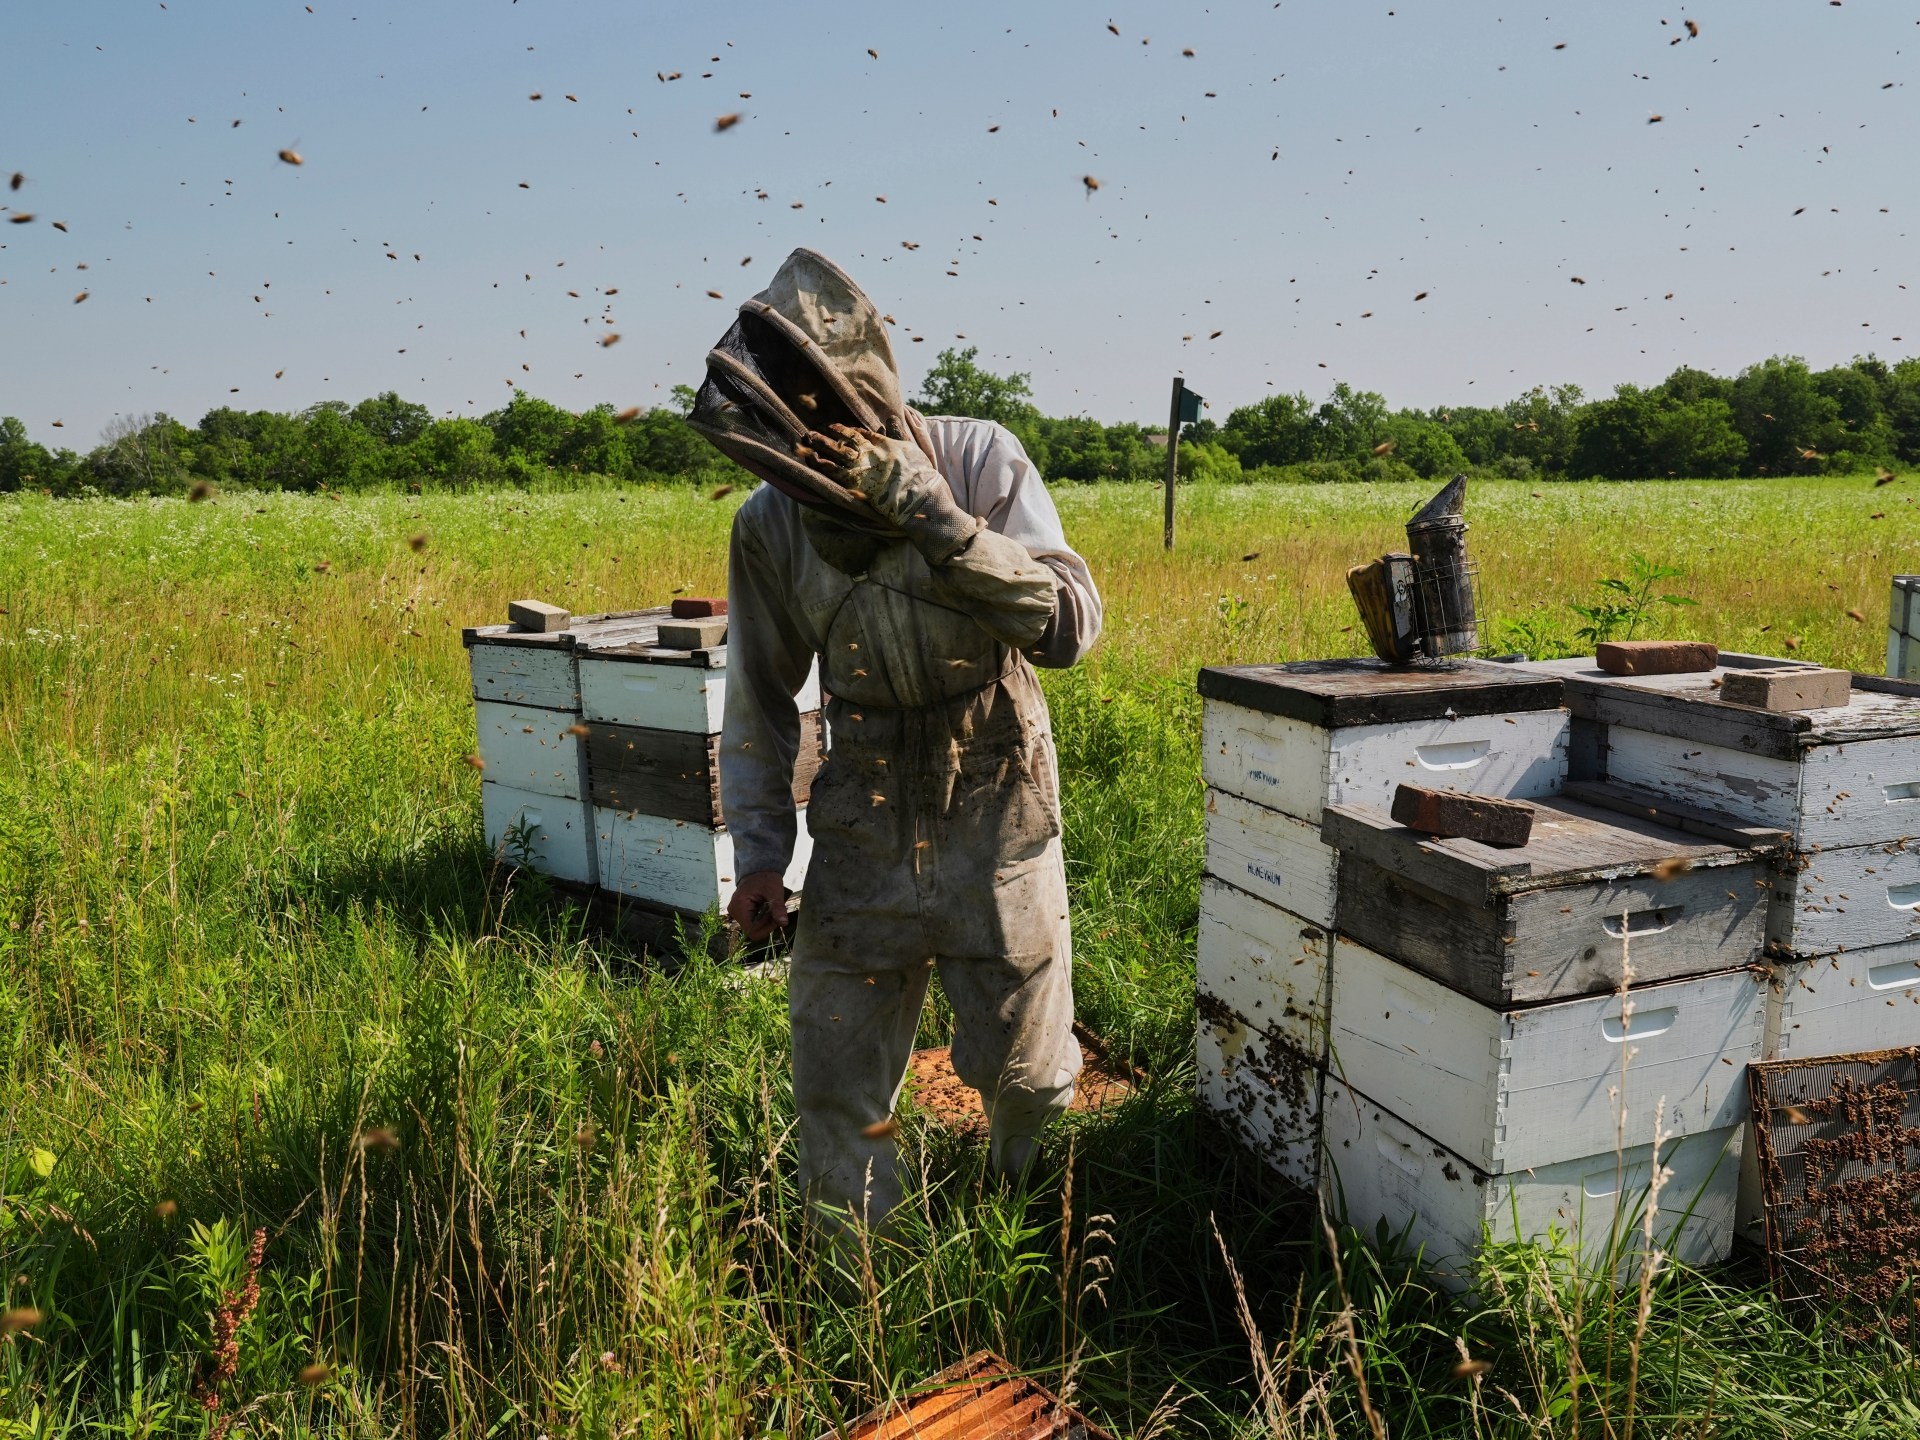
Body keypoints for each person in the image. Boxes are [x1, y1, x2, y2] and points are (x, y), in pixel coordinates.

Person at [687, 248, 1103, 1235]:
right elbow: (758, 699)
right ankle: (868, 1283)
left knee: (1028, 1075)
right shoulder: (770, 525)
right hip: (866, 808)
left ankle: (1016, 1216)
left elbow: (1071, 626)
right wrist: (756, 857)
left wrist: (939, 522)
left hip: (996, 795)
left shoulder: (979, 460)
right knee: (833, 1070)